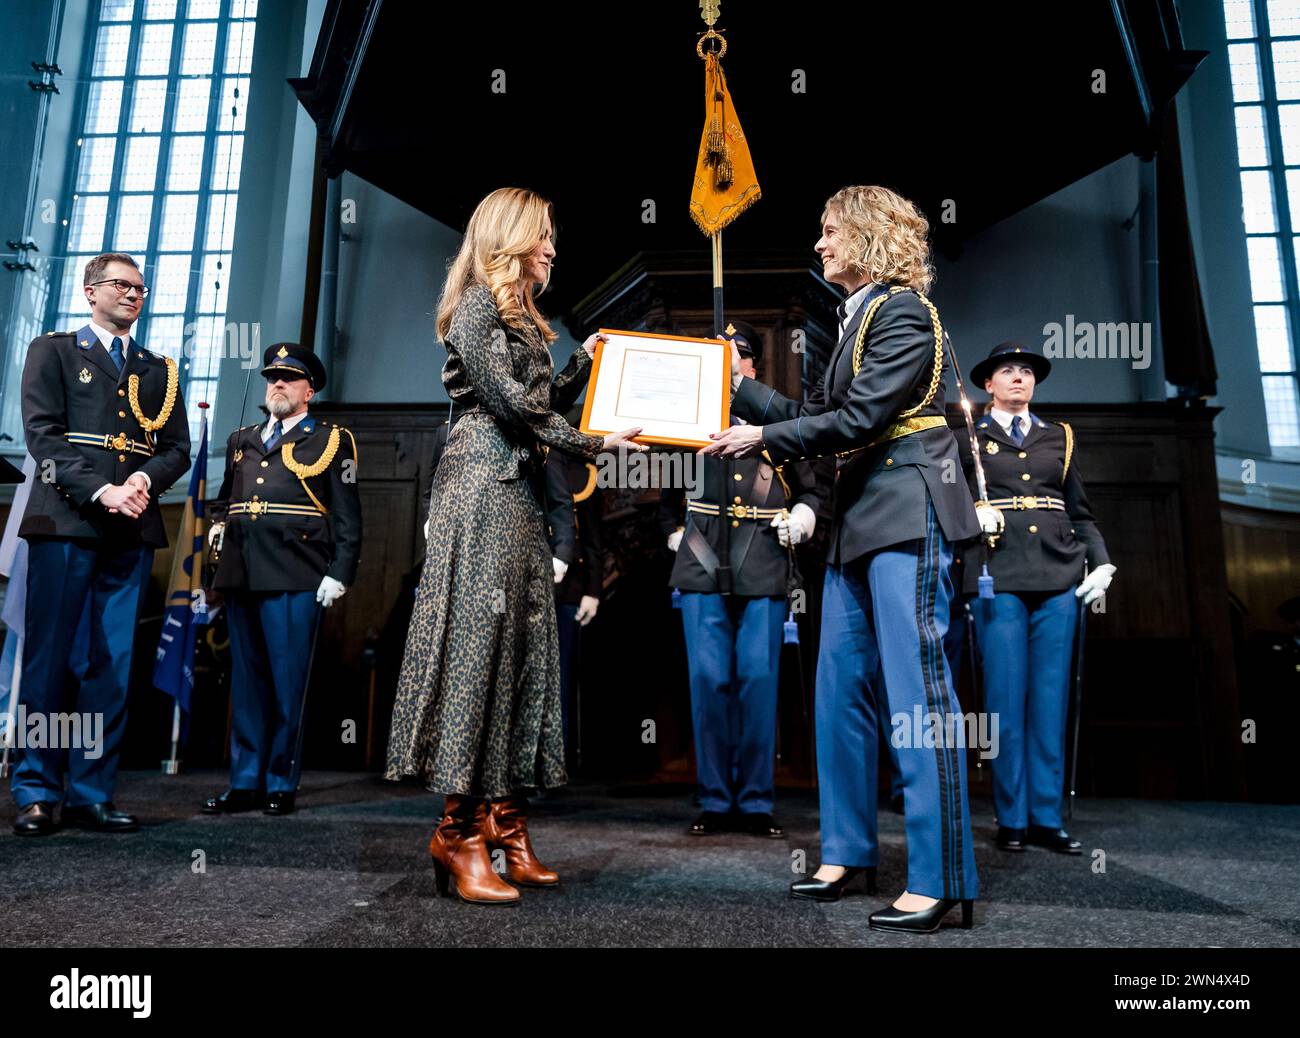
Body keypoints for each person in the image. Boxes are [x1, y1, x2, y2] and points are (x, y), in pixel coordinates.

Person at [704, 185, 981, 934]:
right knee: (839, 694)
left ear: (867, 235)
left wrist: (760, 438)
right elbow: (821, 420)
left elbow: (858, 421)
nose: (820, 245)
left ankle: (941, 875)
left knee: (918, 699)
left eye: (830, 231)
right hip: (857, 521)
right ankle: (850, 851)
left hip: (905, 508)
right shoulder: (852, 316)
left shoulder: (901, 311)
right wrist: (744, 394)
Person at [384, 187, 643, 906]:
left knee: (518, 653)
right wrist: (597, 442)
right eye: (543, 236)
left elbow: (537, 406)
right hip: (482, 488)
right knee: (478, 653)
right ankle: (457, 829)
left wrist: (583, 365)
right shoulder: (473, 307)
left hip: (519, 490)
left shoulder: (521, 316)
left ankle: (501, 818)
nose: (553, 248)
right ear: (508, 239)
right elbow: (512, 408)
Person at [12, 252, 190, 835]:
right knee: (52, 661)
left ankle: (91, 791)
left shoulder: (157, 369)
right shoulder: (55, 351)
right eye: (121, 285)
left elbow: (175, 449)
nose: (134, 295)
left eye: (141, 288)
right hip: (67, 521)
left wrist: (141, 481)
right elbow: (42, 438)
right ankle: (37, 789)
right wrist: (103, 491)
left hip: (130, 527)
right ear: (91, 292)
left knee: (110, 667)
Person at [658, 320, 827, 839]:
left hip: (764, 561)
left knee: (758, 682)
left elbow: (811, 490)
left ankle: (755, 800)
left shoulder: (776, 421)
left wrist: (802, 516)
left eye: (740, 356)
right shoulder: (685, 422)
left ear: (752, 366)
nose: (732, 362)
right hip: (702, 561)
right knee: (708, 682)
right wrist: (673, 535)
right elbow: (666, 499)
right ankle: (713, 797)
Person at [957, 341, 1114, 854]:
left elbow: (1080, 511)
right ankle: (1012, 817)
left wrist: (1101, 559)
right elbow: (948, 500)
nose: (1019, 378)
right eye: (1008, 371)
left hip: (1057, 574)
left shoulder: (1058, 437)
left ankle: (1046, 816)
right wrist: (969, 519)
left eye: (1026, 371)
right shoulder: (969, 437)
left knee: (1050, 698)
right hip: (997, 576)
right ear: (989, 383)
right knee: (1003, 700)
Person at [203, 343, 361, 816]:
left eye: (289, 379)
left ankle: (279, 779)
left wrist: (341, 570)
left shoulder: (331, 439)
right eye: (273, 377)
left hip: (296, 572)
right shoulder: (241, 438)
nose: (277, 384)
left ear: (308, 390)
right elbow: (225, 501)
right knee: (247, 683)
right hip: (241, 570)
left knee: (287, 682)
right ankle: (245, 780)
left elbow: (349, 515)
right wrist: (215, 538)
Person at [544, 423, 607, 772]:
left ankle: (557, 762)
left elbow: (595, 538)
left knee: (560, 678)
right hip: (521, 583)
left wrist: (593, 590)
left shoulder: (582, 473)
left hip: (568, 589)